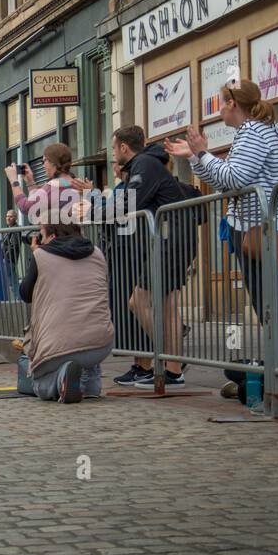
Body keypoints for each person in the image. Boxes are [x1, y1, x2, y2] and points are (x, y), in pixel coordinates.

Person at [166, 79, 278, 404]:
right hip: (256, 228)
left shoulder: (254, 132)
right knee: (270, 306)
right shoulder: (254, 132)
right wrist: (195, 157)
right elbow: (225, 183)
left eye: (220, 102)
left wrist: (202, 152)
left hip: (261, 229)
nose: (218, 109)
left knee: (272, 307)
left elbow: (235, 178)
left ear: (232, 103)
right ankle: (273, 379)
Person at [96, 126, 188, 388]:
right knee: (167, 306)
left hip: (170, 238)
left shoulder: (144, 164)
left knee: (138, 301)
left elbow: (128, 203)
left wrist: (93, 208)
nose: (114, 154)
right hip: (171, 237)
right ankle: (172, 369)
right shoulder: (146, 163)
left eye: (114, 148)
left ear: (124, 147)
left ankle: (165, 361)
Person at [18, 216, 114, 403]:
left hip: (58, 349)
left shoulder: (41, 255)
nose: (40, 239)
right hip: (101, 344)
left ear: (52, 237)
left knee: (38, 383)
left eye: (42, 235)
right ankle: (91, 386)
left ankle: (62, 377)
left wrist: (36, 254)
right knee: (87, 317)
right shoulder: (96, 252)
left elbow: (25, 294)